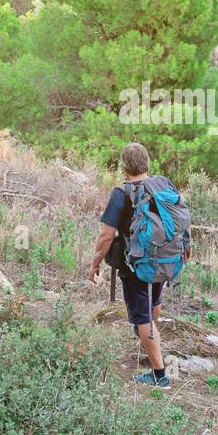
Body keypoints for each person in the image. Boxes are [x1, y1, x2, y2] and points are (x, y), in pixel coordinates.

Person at [89, 142, 176, 388]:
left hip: (136, 265)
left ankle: (160, 376)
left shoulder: (122, 193)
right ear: (147, 162)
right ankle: (151, 343)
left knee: (142, 319)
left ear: (124, 166)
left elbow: (107, 237)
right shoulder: (164, 184)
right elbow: (182, 219)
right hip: (163, 258)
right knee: (153, 305)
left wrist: (95, 264)